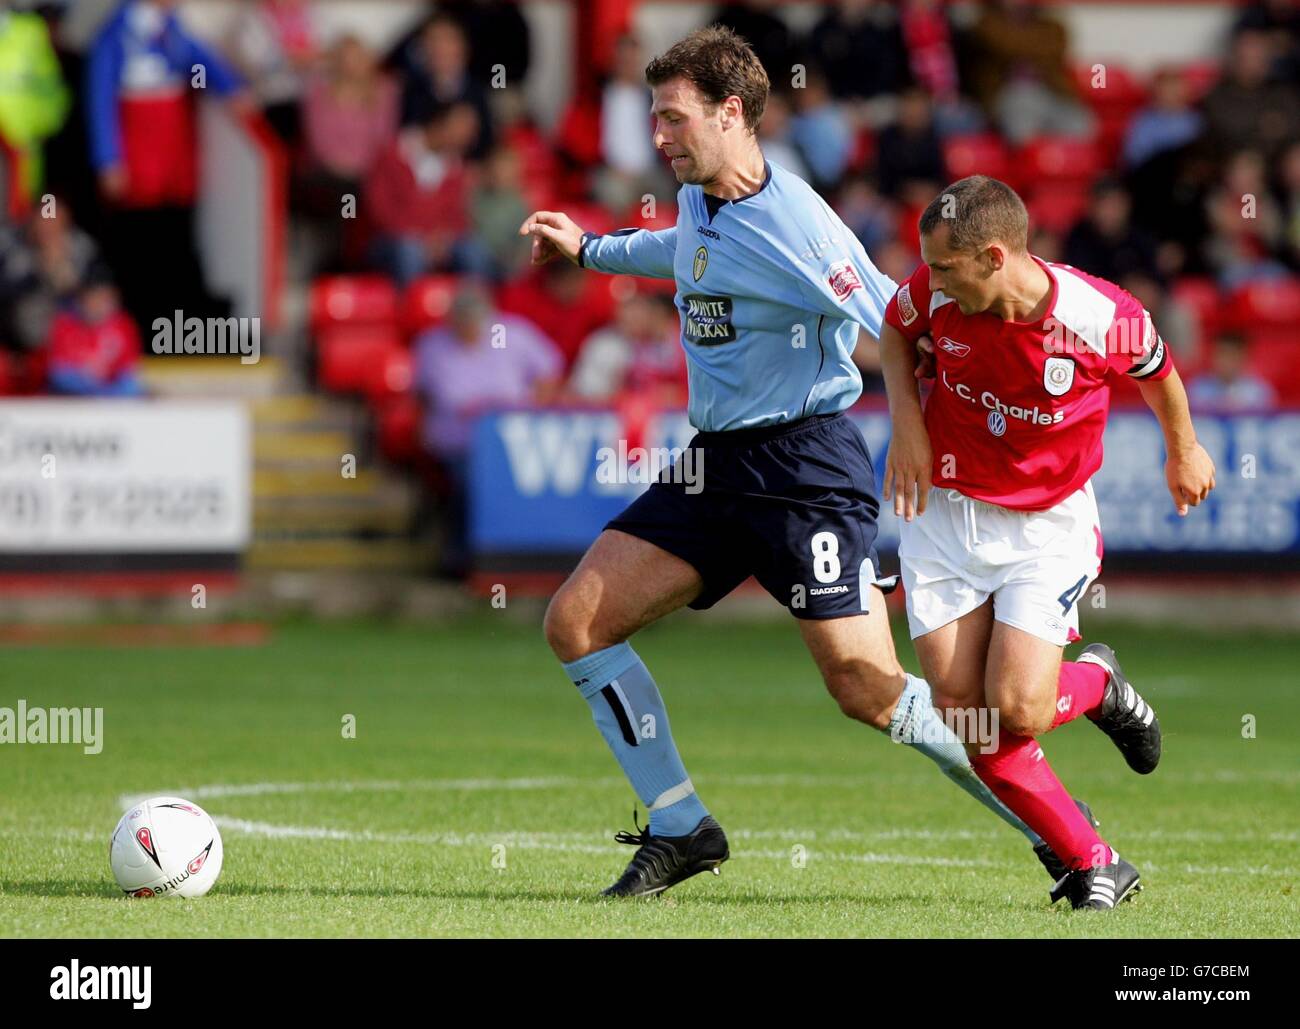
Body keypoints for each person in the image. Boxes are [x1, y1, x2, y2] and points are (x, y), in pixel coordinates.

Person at [521, 26, 1068, 900]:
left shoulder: (799, 226)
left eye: (671, 120)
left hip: (805, 467)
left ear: (731, 113)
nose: (658, 138)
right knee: (575, 622)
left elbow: (900, 319)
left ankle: (1060, 835)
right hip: (717, 465)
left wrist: (971, 421)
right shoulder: (702, 195)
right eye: (654, 120)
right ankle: (680, 827)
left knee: (868, 686)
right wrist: (592, 248)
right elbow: (686, 254)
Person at [879, 175, 1217, 909]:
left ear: (994, 256)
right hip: (944, 514)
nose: (929, 281)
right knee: (965, 711)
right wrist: (908, 423)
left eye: (943, 267)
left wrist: (1183, 450)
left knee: (1019, 708)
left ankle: (1098, 683)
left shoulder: (1100, 316)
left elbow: (1160, 374)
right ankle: (1094, 860)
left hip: (1045, 526)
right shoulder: (935, 294)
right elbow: (895, 330)